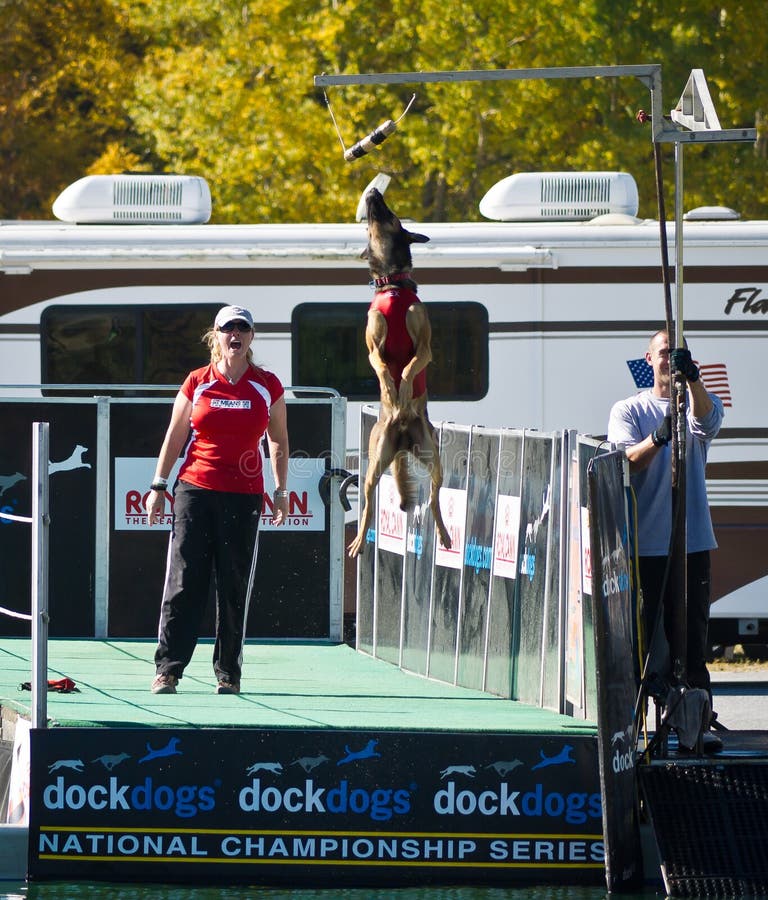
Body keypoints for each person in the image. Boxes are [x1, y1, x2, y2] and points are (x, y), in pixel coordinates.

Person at [146, 305, 289, 695]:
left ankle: (228, 673)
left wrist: (280, 490)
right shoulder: (197, 382)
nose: (235, 335)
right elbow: (175, 435)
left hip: (243, 497)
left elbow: (277, 440)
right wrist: (159, 485)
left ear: (251, 338)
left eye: (243, 328)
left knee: (232, 586)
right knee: (183, 583)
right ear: (217, 336)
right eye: (229, 329)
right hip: (194, 491)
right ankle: (168, 671)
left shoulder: (267, 385)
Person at [607, 329, 724, 748]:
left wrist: (692, 379)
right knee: (643, 645)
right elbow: (626, 464)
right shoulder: (629, 409)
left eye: (677, 357)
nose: (668, 364)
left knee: (692, 642)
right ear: (647, 359)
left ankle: (697, 724)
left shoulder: (696, 404)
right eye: (663, 355)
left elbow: (708, 422)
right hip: (648, 547)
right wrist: (659, 436)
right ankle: (637, 730)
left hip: (693, 544)